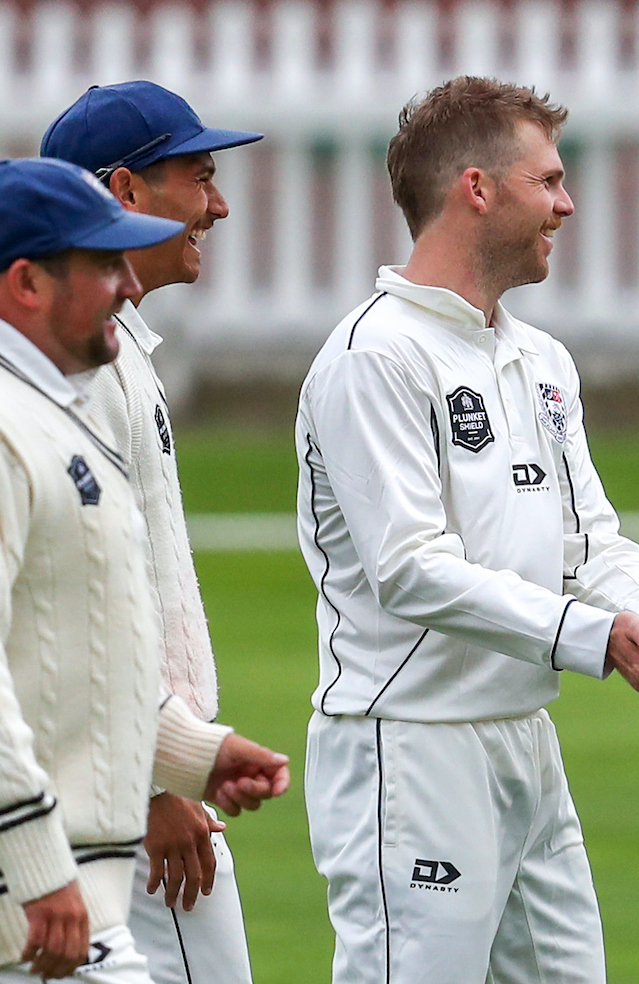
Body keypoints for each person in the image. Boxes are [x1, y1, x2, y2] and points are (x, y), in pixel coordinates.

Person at [295, 76, 639, 984]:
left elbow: (586, 540)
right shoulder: (374, 357)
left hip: (523, 737)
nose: (567, 203)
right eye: (549, 180)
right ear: (476, 189)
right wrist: (591, 636)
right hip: (409, 740)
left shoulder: (539, 357)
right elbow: (408, 569)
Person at [0, 157, 289, 983]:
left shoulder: (61, 409)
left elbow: (75, 646)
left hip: (75, 893)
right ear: (26, 283)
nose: (129, 283)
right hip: (40, 903)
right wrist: (36, 868)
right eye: (102, 264)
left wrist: (195, 753)